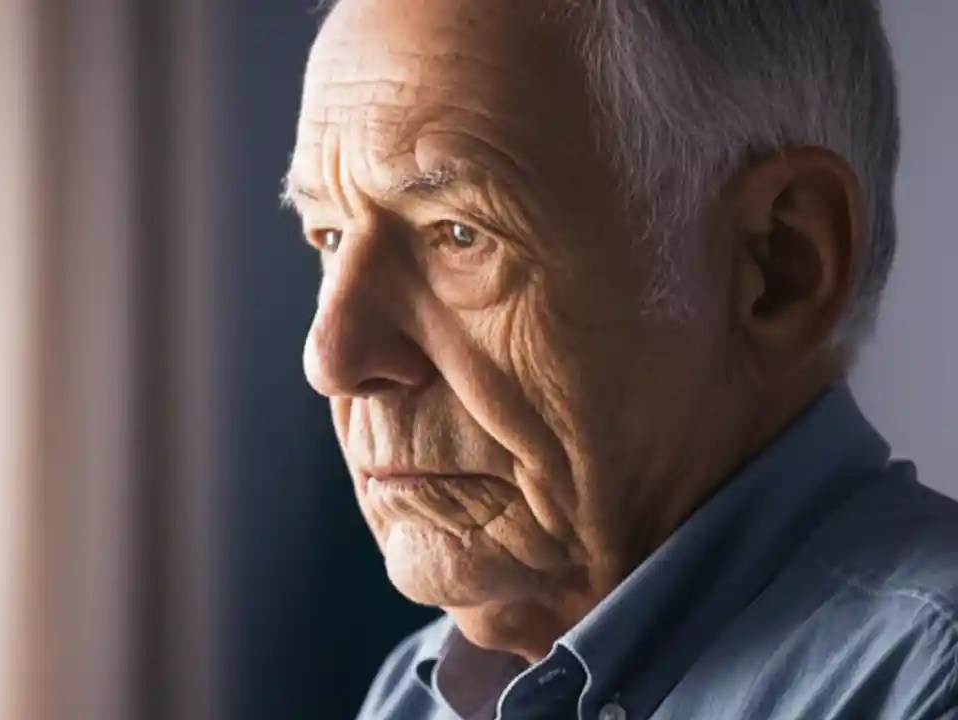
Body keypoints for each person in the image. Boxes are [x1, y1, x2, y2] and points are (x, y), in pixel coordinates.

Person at [281, 0, 958, 718]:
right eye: (328, 236)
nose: (332, 358)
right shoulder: (417, 694)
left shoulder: (928, 685)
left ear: (778, 269)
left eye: (458, 234)